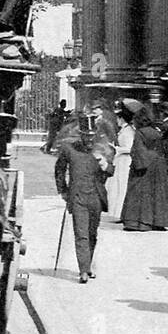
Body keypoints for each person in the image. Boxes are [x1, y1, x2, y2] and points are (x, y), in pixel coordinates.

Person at [55, 112, 113, 283]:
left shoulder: (102, 149)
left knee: (92, 234)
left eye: (91, 136)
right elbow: (59, 170)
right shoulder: (69, 149)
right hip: (78, 197)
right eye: (85, 136)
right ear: (80, 135)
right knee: (81, 234)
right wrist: (63, 191)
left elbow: (111, 171)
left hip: (96, 197)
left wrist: (104, 164)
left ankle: (87, 265)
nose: (89, 139)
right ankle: (83, 271)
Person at [118, 99, 168, 231]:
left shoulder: (140, 132)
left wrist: (137, 164)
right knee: (157, 192)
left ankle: (138, 222)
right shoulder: (155, 131)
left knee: (139, 192)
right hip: (158, 165)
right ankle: (158, 221)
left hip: (143, 165)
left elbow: (137, 150)